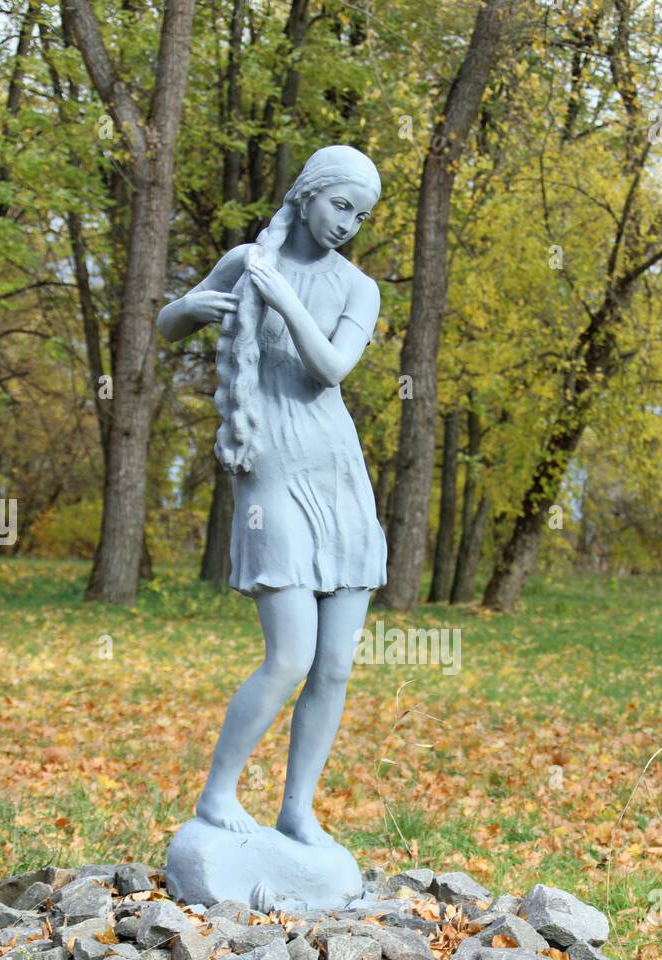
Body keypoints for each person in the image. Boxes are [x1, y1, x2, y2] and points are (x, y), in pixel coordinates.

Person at [157, 145, 386, 847]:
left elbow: (333, 368)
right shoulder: (247, 259)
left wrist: (283, 299)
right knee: (289, 655)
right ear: (308, 194)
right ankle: (217, 795)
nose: (348, 223)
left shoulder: (358, 289)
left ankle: (297, 809)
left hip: (338, 474)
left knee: (336, 663)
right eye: (339, 204)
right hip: (272, 470)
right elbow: (169, 325)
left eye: (362, 214)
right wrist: (191, 306)